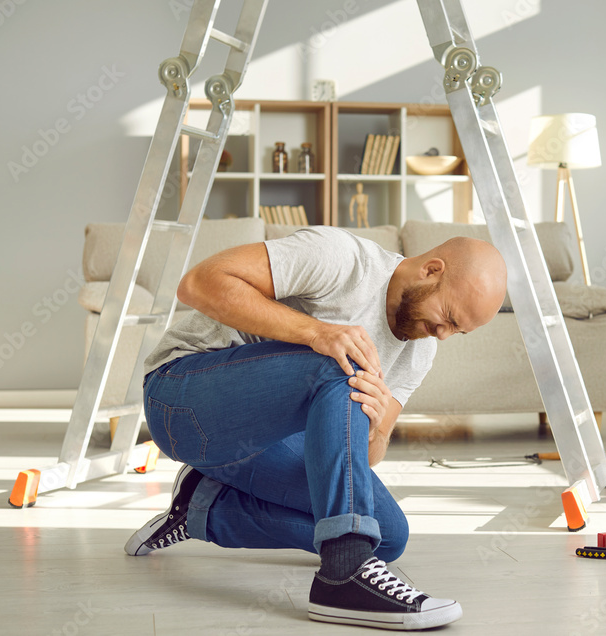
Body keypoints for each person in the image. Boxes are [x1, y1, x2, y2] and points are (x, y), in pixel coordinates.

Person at [124, 225, 507, 631]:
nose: (443, 336)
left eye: (458, 331)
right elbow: (198, 283)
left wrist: (378, 426)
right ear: (431, 270)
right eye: (447, 318)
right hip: (182, 401)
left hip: (247, 449)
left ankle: (203, 506)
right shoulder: (343, 260)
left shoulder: (420, 349)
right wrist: (318, 334)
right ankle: (343, 572)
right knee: (344, 362)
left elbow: (364, 459)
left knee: (388, 534)